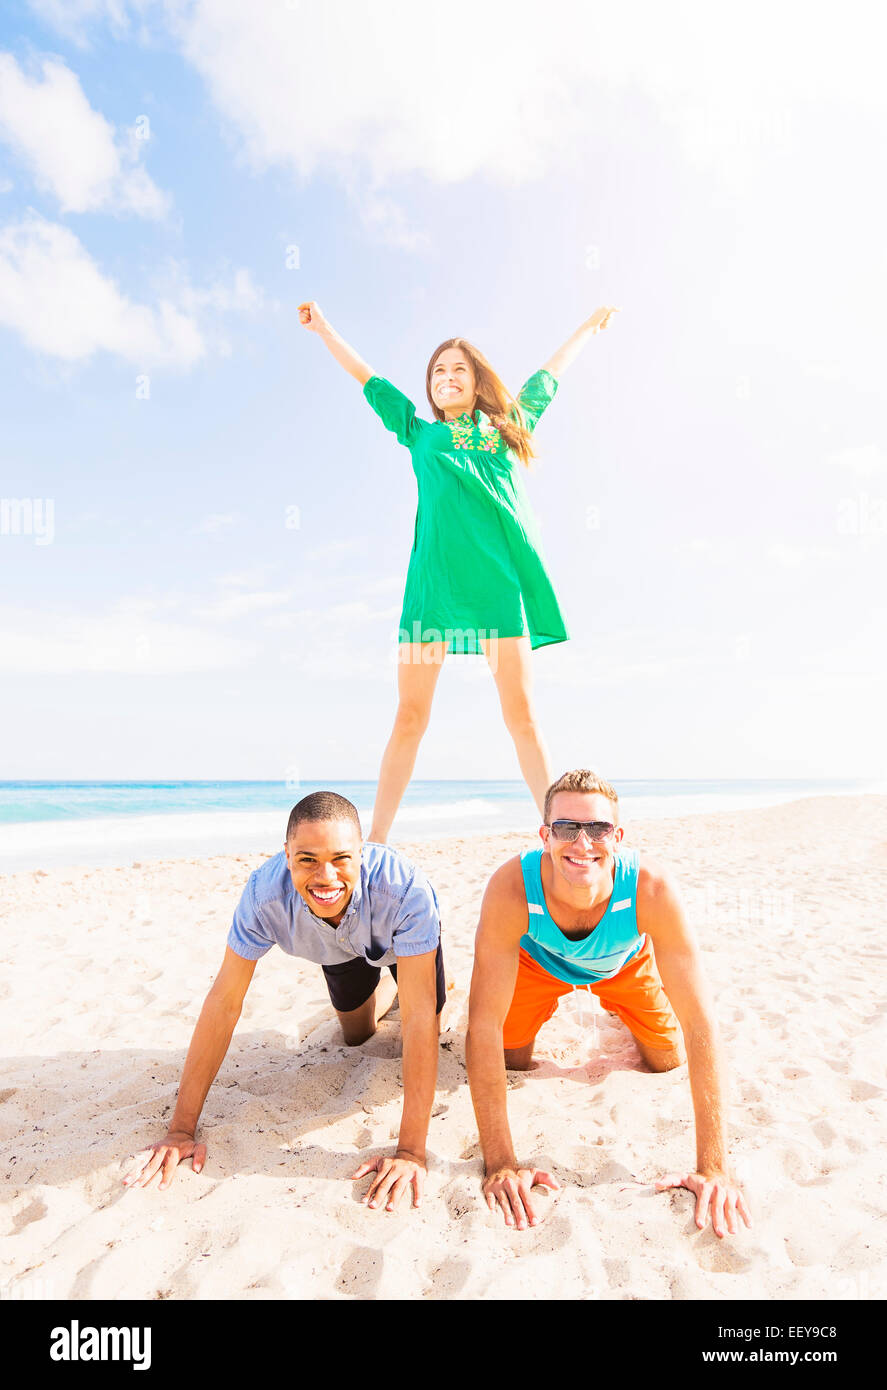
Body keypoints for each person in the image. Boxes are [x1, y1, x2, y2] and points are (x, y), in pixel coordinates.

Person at [297, 300, 619, 843]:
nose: (446, 377)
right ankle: (376, 841)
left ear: (475, 383)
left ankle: (555, 828)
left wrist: (588, 327)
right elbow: (366, 377)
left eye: (458, 370)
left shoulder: (505, 428)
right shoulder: (419, 433)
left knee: (522, 717)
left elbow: (550, 376)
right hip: (432, 593)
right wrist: (325, 327)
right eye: (438, 371)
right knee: (409, 717)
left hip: (497, 591)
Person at [123, 791, 446, 1213]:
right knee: (357, 1035)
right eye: (307, 859)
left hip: (401, 943)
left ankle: (425, 981)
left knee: (417, 1028)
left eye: (341, 859)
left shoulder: (404, 889)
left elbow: (421, 1019)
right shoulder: (264, 896)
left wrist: (410, 1153)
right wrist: (181, 1130)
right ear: (287, 855)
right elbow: (224, 1002)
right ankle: (389, 990)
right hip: (337, 950)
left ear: (362, 855)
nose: (326, 876)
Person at [465, 768, 752, 1239]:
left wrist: (715, 1168)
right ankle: (554, 1006)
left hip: (622, 964)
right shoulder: (511, 887)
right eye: (566, 828)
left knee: (666, 1058)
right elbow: (482, 1027)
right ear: (545, 835)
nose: (582, 843)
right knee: (510, 1058)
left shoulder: (651, 888)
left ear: (616, 836)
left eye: (597, 828)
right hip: (538, 965)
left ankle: (618, 1011)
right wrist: (501, 1163)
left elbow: (702, 1025)